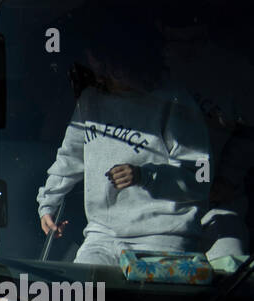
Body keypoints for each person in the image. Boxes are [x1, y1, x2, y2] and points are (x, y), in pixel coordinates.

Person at [37, 45, 213, 266]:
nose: (103, 77)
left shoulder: (173, 100)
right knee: (81, 297)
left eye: (110, 70)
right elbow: (69, 158)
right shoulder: (90, 100)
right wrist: (48, 203)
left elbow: (199, 177)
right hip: (102, 236)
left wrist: (145, 176)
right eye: (96, 68)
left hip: (163, 237)